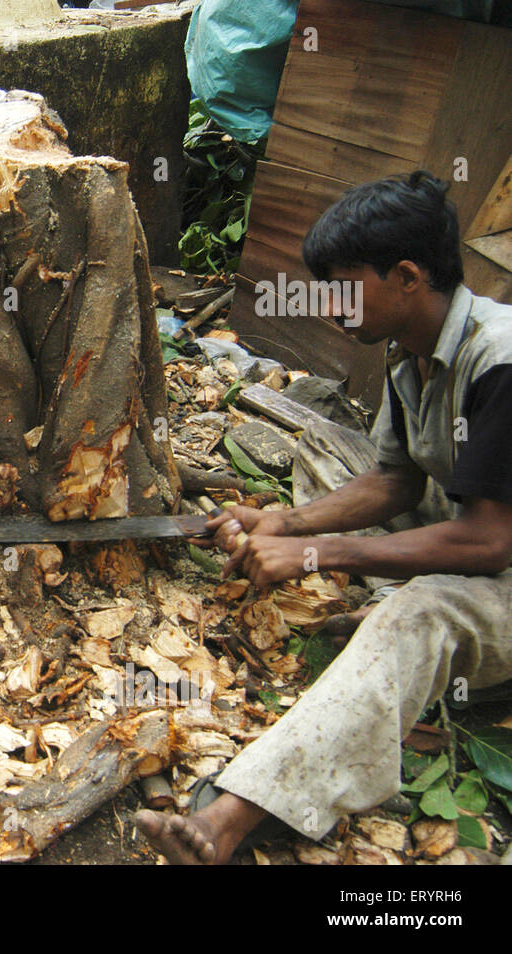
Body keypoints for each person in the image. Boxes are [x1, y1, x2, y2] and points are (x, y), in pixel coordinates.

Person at [136, 170, 512, 864]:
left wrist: (320, 554)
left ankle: (228, 820)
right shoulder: (412, 355)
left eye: (344, 285)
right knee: (326, 453)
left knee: (419, 611)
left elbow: (490, 541)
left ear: (406, 276)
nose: (331, 304)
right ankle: (383, 622)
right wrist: (289, 524)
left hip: (499, 562)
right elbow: (395, 482)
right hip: (468, 522)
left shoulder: (500, 359)